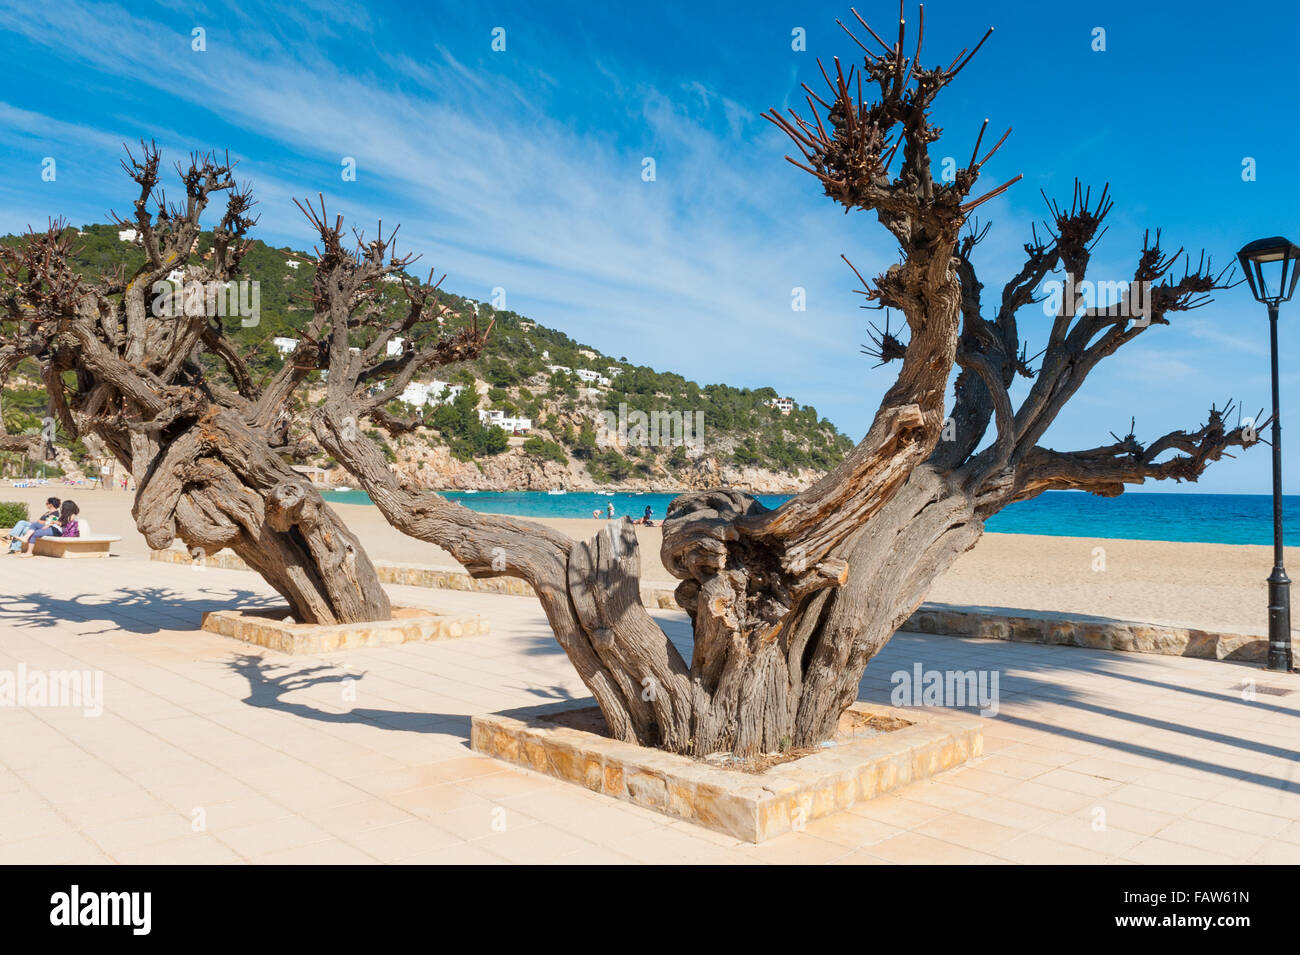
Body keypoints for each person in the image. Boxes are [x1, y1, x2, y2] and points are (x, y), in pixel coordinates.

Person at [14, 500, 79, 556]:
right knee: (35, 524)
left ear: (67, 507)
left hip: (58, 531)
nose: (62, 507)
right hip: (54, 528)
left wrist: (55, 522)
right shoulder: (65, 514)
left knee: (35, 533)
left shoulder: (72, 515)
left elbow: (65, 526)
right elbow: (58, 521)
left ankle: (29, 552)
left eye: (63, 506)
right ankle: (25, 538)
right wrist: (50, 523)